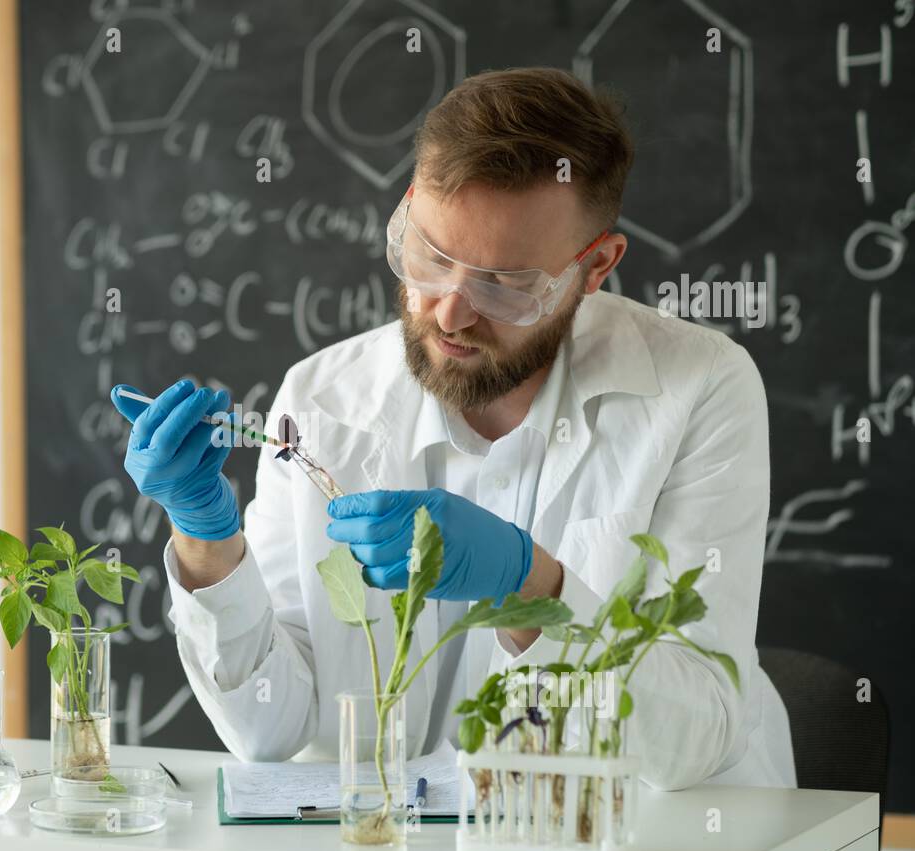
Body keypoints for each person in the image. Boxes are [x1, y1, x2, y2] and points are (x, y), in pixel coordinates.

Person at [111, 67, 795, 790]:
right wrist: (205, 540)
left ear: (595, 266)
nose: (449, 313)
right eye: (432, 258)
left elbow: (700, 730)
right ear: (408, 209)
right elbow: (272, 727)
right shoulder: (319, 398)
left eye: (503, 284)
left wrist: (533, 587)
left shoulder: (699, 389)